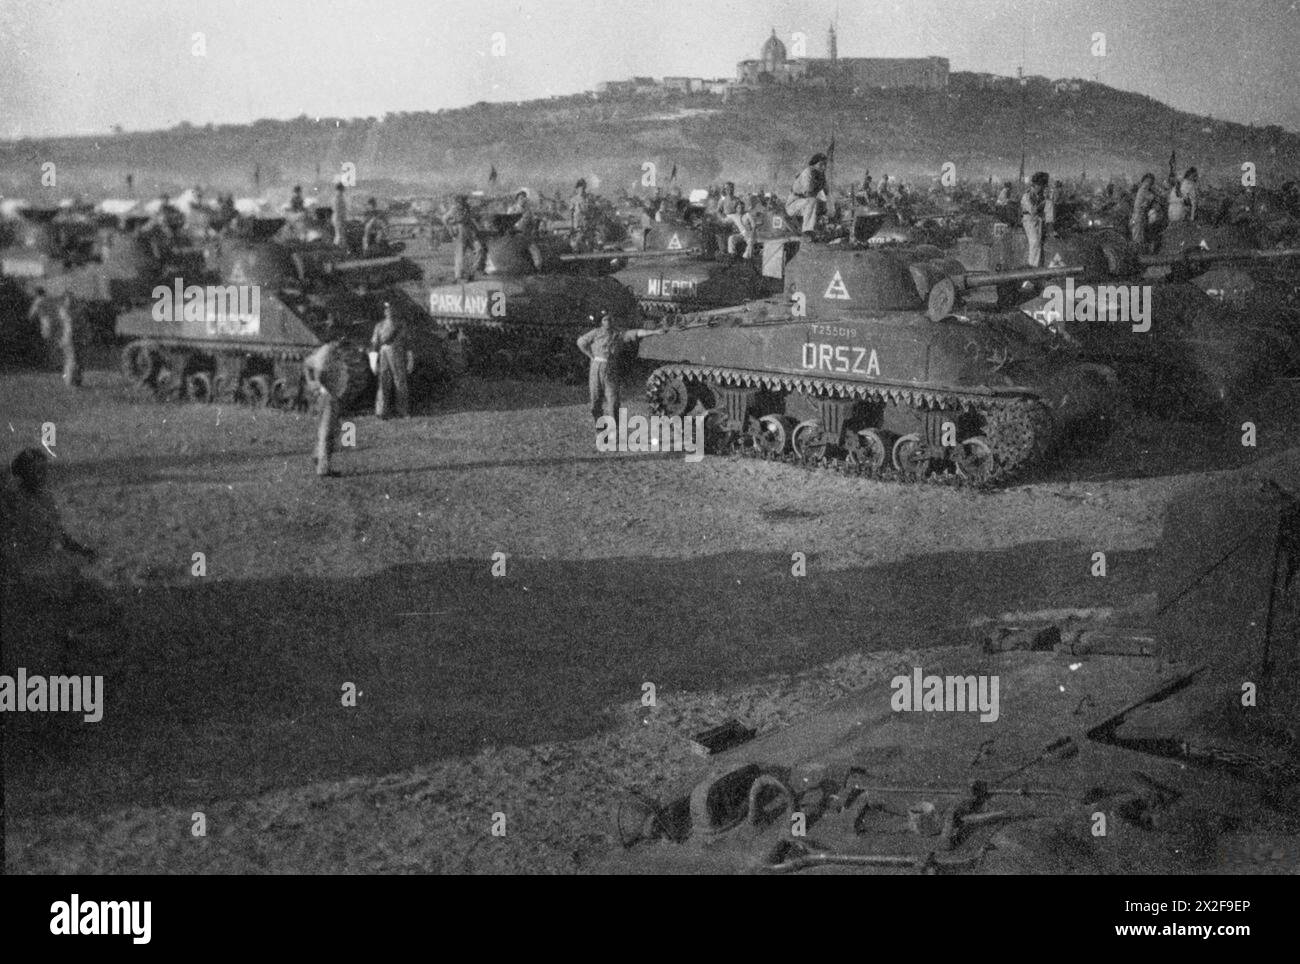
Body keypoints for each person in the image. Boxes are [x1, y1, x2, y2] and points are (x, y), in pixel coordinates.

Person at [1, 447, 117, 659]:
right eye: (36, 471)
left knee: (89, 589)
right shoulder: (12, 504)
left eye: (44, 470)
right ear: (23, 475)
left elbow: (60, 534)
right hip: (28, 566)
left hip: (48, 560)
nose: (43, 476)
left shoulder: (44, 497)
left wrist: (81, 549)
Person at [575, 311, 666, 425]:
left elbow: (636, 333)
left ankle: (614, 429)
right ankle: (600, 427)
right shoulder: (595, 333)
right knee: (595, 400)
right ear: (601, 322)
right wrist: (590, 355)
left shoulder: (618, 334)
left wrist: (654, 332)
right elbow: (580, 342)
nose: (608, 322)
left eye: (609, 319)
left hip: (611, 368)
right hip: (596, 367)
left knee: (613, 400)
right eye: (605, 320)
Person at [302, 339, 350, 477]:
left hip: (331, 396)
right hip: (328, 396)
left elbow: (308, 363)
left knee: (331, 431)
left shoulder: (331, 352)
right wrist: (317, 385)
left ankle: (318, 456)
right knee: (327, 432)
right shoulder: (326, 352)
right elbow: (318, 371)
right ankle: (323, 469)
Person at [370, 302, 409, 419]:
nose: (389, 312)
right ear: (384, 312)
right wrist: (373, 360)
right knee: (383, 381)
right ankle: (381, 411)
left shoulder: (401, 324)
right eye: (387, 310)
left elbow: (407, 341)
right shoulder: (379, 325)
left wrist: (410, 356)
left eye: (391, 309)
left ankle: (402, 410)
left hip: (397, 351)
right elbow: (374, 343)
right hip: (383, 353)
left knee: (400, 381)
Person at [786, 153, 828, 236]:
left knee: (824, 203)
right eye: (821, 165)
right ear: (814, 164)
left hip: (804, 204)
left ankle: (822, 229)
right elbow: (808, 193)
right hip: (794, 205)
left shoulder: (821, 174)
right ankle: (807, 230)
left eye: (825, 165)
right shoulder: (807, 173)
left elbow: (825, 192)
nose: (824, 167)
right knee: (812, 200)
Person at [445, 195, 483, 281]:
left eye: (464, 201)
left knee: (479, 250)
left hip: (470, 232)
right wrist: (450, 230)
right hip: (460, 231)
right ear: (457, 202)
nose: (462, 203)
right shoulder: (454, 210)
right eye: (460, 201)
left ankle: (471, 272)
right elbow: (445, 219)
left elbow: (470, 220)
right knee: (460, 254)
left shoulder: (468, 209)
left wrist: (477, 231)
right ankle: (458, 276)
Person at [716, 181, 756, 260]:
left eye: (731, 188)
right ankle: (730, 253)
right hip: (726, 217)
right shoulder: (722, 200)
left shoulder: (736, 199)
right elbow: (718, 211)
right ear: (725, 190)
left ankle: (744, 242)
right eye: (727, 189)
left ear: (733, 189)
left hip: (737, 217)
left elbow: (740, 209)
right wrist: (722, 218)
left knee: (741, 223)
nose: (729, 190)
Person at [27, 287, 63, 369]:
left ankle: (53, 364)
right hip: (57, 322)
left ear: (37, 293)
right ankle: (59, 363)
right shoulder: (50, 299)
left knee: (49, 344)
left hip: (46, 323)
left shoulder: (38, 301)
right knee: (56, 343)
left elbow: (31, 315)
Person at [1021, 171, 1051, 267]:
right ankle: (1032, 268)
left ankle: (1037, 267)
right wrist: (1045, 201)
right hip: (1029, 221)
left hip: (1039, 220)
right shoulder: (1026, 196)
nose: (1042, 188)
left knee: (1039, 244)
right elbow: (1033, 211)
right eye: (1041, 186)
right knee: (1034, 242)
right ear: (1036, 185)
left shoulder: (1040, 195)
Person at [54, 292, 84, 388]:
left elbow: (81, 323)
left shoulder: (71, 310)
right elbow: (67, 322)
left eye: (72, 299)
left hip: (76, 336)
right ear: (65, 300)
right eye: (69, 299)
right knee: (71, 359)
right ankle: (71, 381)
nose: (71, 301)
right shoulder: (63, 311)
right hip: (68, 337)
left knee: (76, 359)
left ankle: (76, 380)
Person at [1130, 172, 1159, 248]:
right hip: (1139, 214)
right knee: (1138, 234)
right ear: (1145, 180)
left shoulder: (1143, 188)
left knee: (1139, 233)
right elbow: (1152, 197)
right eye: (1149, 181)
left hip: (1140, 214)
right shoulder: (1144, 188)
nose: (1150, 183)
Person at [332, 183, 348, 248]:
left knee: (340, 234)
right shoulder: (338, 197)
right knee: (339, 235)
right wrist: (341, 219)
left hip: (338, 218)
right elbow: (338, 209)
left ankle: (340, 248)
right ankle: (336, 248)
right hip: (338, 218)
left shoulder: (339, 196)